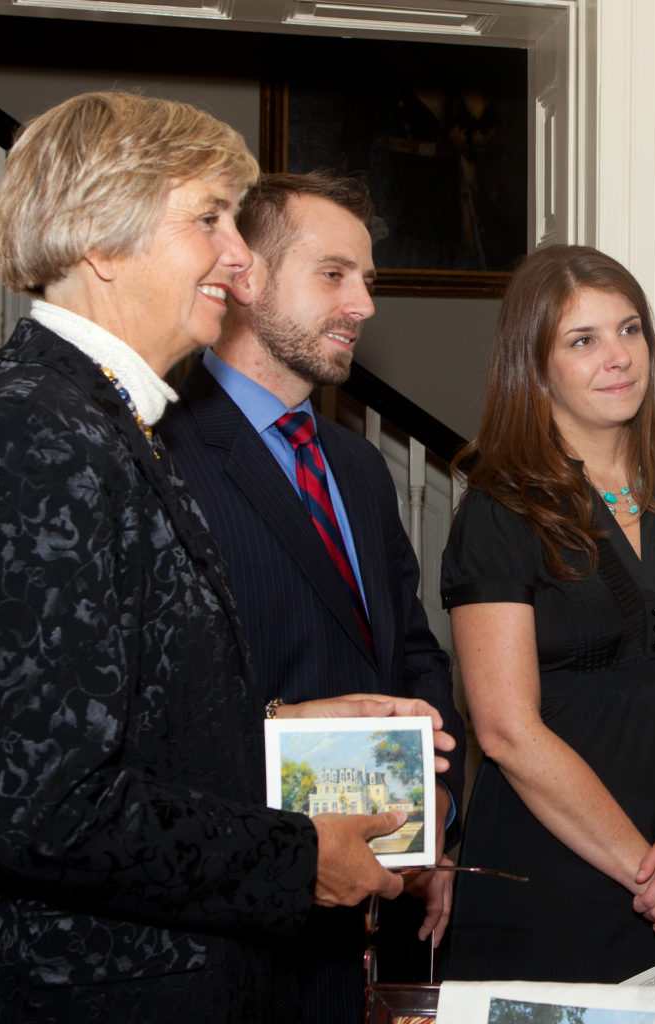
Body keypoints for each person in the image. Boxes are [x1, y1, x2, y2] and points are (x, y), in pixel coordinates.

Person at [0, 92, 451, 1024]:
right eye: (209, 220)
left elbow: (128, 722)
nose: (236, 259)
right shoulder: (36, 441)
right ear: (101, 239)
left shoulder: (103, 424)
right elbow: (47, 811)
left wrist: (284, 725)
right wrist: (299, 858)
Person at [157, 171, 466, 1021]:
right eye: (334, 275)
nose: (363, 304)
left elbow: (410, 651)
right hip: (235, 929)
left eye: (367, 279)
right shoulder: (162, 452)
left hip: (361, 934)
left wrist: (435, 811)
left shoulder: (360, 465)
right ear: (244, 276)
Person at [439, 245, 655, 987]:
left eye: (630, 330)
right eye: (582, 341)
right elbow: (505, 729)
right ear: (535, 364)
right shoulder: (499, 513)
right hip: (558, 871)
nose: (617, 357)